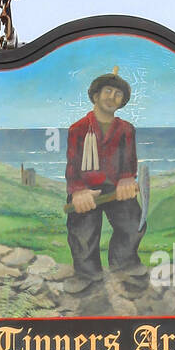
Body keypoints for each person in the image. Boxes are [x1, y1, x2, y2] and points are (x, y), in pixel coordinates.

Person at [64, 68, 147, 288]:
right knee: (83, 231)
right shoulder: (78, 129)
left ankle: (124, 264)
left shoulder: (126, 129)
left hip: (116, 186)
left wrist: (128, 179)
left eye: (118, 94)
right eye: (108, 91)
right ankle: (87, 274)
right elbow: (72, 165)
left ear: (122, 102)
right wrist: (78, 191)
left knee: (133, 222)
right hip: (86, 187)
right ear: (95, 96)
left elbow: (129, 161)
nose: (112, 97)